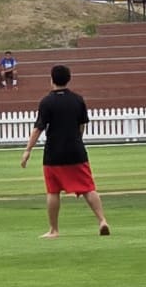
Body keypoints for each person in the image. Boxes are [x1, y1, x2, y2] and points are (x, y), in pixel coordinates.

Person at [20, 64, 110, 239]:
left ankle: (54, 230)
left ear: (52, 79)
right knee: (88, 188)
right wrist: (77, 140)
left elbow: (38, 128)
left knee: (53, 191)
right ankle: (102, 220)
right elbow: (81, 125)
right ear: (69, 79)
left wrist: (27, 150)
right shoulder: (78, 100)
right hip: (76, 150)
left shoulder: (47, 102)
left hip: (54, 152)